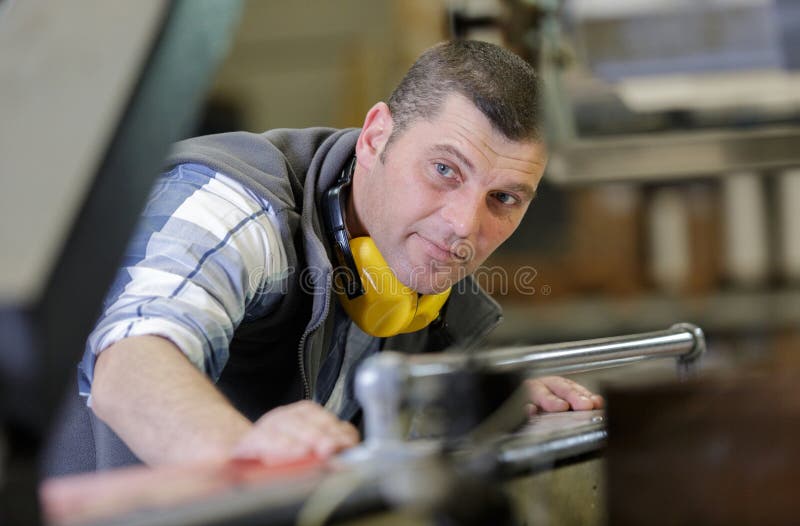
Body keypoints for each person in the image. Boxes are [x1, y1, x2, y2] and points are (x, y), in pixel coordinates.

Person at [61, 40, 602, 471]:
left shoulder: (418, 260)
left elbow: (353, 406)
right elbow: (131, 365)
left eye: (503, 198)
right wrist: (247, 455)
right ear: (375, 137)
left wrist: (465, 404)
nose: (464, 224)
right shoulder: (236, 207)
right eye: (443, 170)